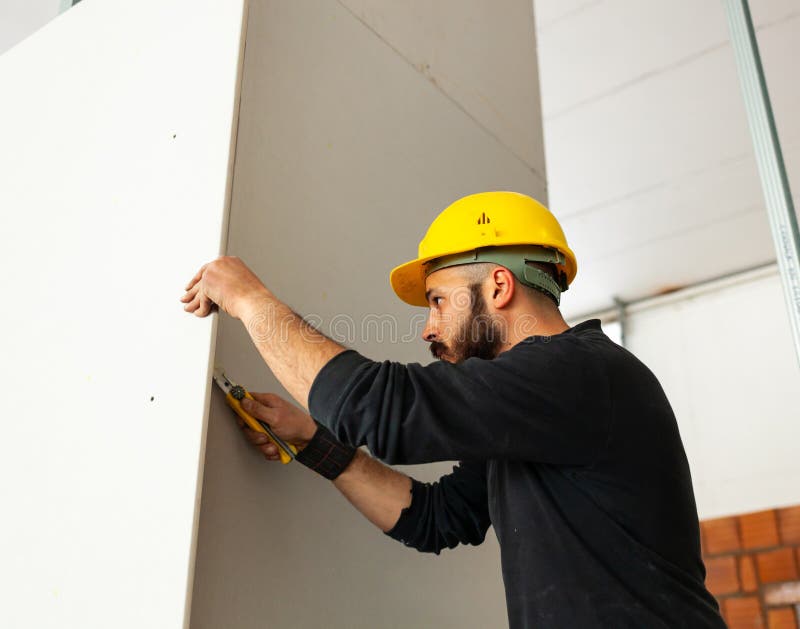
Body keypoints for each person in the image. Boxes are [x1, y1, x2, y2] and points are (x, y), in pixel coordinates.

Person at [181, 191, 726, 628]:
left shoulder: (579, 374)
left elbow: (376, 409)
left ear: (499, 285)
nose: (428, 326)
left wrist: (250, 300)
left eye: (438, 300)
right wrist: (313, 442)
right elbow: (438, 518)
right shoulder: (537, 408)